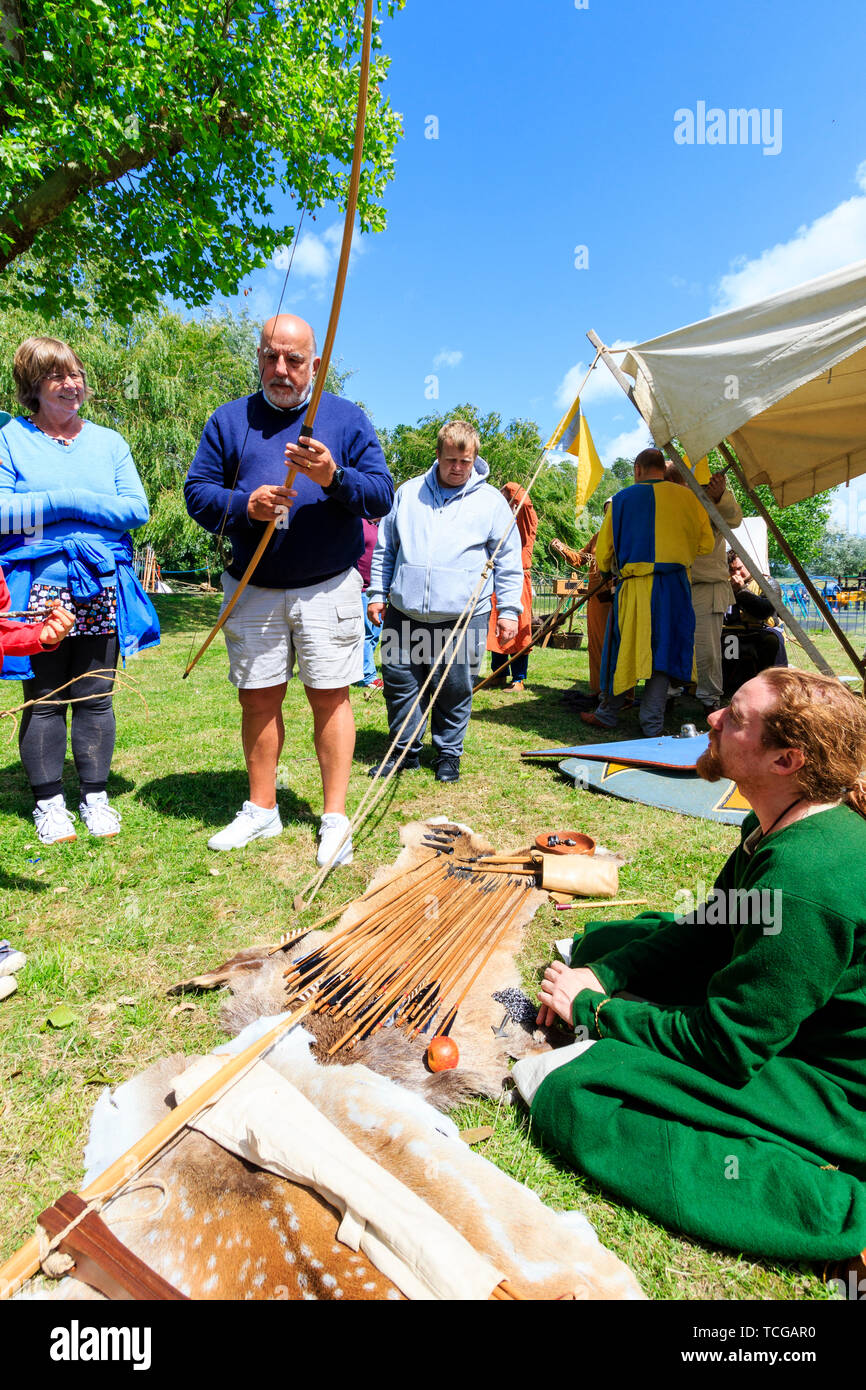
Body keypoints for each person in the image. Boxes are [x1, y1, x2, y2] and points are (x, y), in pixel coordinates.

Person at [520, 668, 866, 1265]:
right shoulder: (781, 817)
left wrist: (594, 1011)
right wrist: (608, 976)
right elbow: (708, 929)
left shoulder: (805, 882)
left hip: (841, 1090)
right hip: (792, 1019)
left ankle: (838, 1210)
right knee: (618, 943)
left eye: (733, 717)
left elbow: (726, 1046)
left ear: (787, 759)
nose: (711, 719)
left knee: (579, 1090)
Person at [184, 313, 394, 863]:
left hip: (328, 586)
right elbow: (198, 493)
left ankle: (334, 818)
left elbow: (380, 495)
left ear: (315, 365)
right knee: (257, 697)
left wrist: (334, 477)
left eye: (295, 359)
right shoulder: (229, 421)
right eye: (271, 357)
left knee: (330, 697)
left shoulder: (347, 419)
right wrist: (243, 506)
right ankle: (262, 811)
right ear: (259, 357)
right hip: (253, 584)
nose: (281, 369)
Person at [0, 337, 159, 845]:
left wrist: (48, 510)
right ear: (33, 387)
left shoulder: (110, 443)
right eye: (56, 377)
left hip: (100, 587)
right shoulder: (9, 440)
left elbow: (135, 510)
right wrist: (80, 503)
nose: (72, 385)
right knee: (43, 698)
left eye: (76, 374)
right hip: (37, 589)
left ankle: (95, 797)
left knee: (95, 696)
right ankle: (50, 804)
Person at [366, 421, 522, 784]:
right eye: (451, 459)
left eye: (465, 461)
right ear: (437, 455)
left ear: (475, 459)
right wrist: (377, 593)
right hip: (404, 613)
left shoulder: (492, 503)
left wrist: (510, 611)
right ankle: (403, 753)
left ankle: (449, 755)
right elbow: (386, 549)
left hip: (464, 617)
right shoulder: (407, 493)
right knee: (401, 682)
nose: (458, 467)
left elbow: (508, 560)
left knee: (454, 686)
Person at [580, 448, 713, 737]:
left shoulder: (622, 500)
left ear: (638, 470)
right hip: (675, 587)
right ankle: (651, 723)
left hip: (635, 585)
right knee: (662, 652)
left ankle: (608, 713)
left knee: (622, 648)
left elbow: (603, 552)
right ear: (662, 470)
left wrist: (606, 570)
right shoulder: (689, 499)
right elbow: (706, 544)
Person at [680, 468, 742, 716]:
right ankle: (671, 691)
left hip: (707, 585)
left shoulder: (715, 499)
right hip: (677, 583)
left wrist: (719, 496)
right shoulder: (675, 497)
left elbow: (734, 519)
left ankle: (709, 698)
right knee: (673, 643)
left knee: (707, 649)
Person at [486, 482, 537, 692]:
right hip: (498, 577)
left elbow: (524, 503)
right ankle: (498, 674)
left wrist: (509, 489)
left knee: (518, 630)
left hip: (519, 579)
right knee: (496, 628)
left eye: (504, 497)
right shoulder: (501, 521)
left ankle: (519, 678)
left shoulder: (524, 520)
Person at [722, 551, 787, 695]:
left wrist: (741, 591)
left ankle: (776, 686)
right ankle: (731, 687)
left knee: (772, 641)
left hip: (762, 631)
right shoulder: (724, 585)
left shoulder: (768, 582)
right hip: (735, 632)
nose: (736, 573)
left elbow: (764, 611)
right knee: (728, 641)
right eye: (732, 570)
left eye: (739, 568)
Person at [354, 517, 384, 690]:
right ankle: (368, 676)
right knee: (365, 634)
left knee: (373, 635)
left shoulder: (380, 526)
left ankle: (362, 673)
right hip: (362, 590)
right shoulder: (360, 524)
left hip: (378, 591)